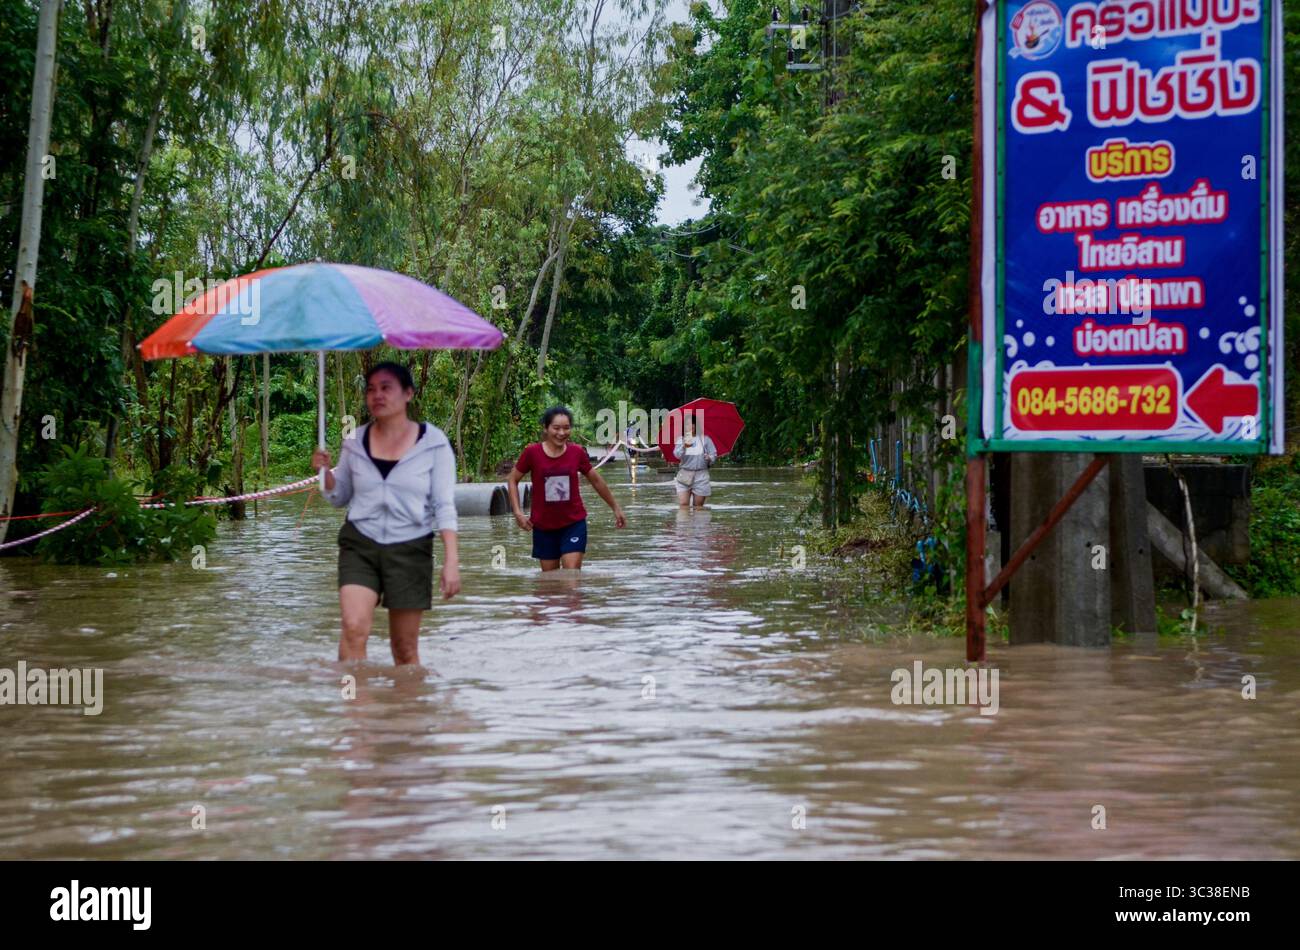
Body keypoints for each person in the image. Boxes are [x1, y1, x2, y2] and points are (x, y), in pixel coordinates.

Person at [312, 361, 460, 666]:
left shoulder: (434, 443)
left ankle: (402, 712)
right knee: (354, 628)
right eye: (371, 389)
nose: (377, 395)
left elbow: (444, 505)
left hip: (411, 546)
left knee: (404, 649)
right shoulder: (354, 442)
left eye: (386, 388)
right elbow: (339, 497)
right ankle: (356, 708)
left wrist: (451, 561)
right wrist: (324, 473)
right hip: (359, 544)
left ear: (408, 394)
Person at [507, 406, 627, 570]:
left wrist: (616, 508)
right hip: (543, 526)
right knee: (550, 582)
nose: (561, 433)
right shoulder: (532, 453)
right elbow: (512, 479)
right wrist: (518, 512)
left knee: (571, 577)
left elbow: (596, 481)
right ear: (546, 428)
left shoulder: (576, 452)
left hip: (573, 524)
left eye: (566, 428)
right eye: (556, 428)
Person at [674, 415, 717, 509]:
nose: (691, 426)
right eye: (688, 424)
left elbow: (714, 455)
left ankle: (696, 523)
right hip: (685, 474)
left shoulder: (706, 439)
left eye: (693, 423)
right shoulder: (681, 440)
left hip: (701, 475)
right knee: (684, 504)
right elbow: (677, 455)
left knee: (698, 506)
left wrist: (709, 458)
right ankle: (684, 523)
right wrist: (683, 446)